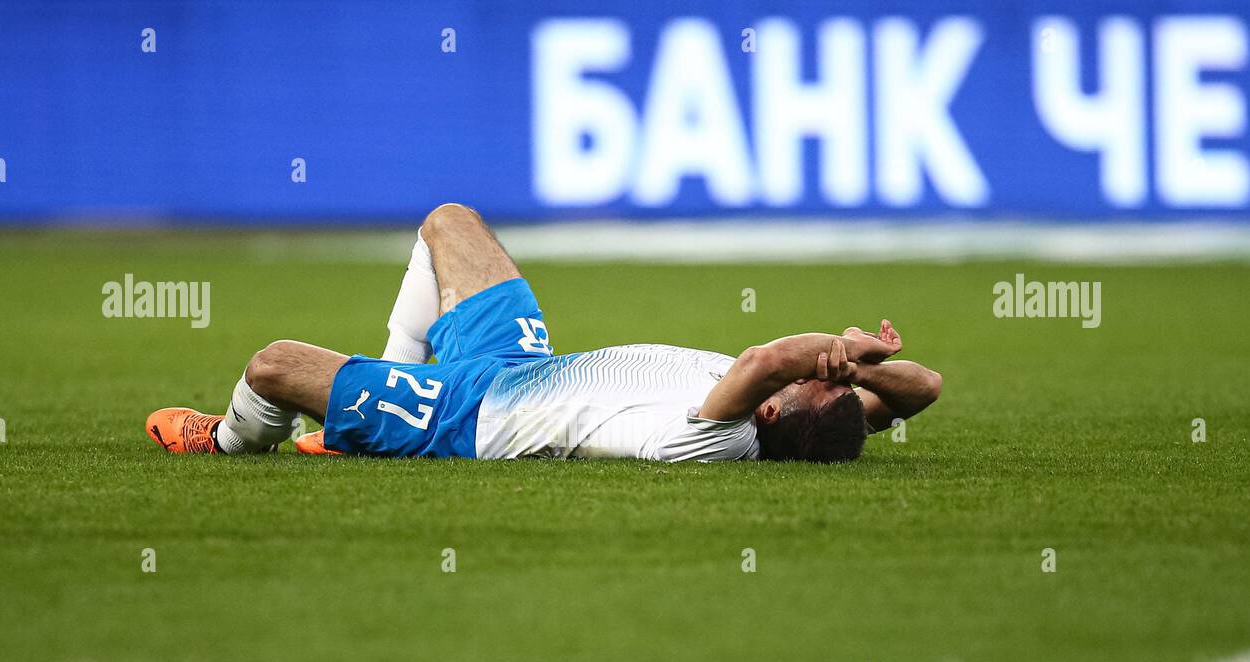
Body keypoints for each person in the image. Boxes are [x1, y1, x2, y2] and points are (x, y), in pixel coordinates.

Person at [145, 204, 941, 462]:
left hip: (474, 415)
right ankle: (357, 426)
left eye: (815, 382)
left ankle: (223, 442)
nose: (822, 375)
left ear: (772, 410)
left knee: (274, 365)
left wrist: (838, 353)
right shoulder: (814, 419)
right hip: (525, 364)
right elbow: (925, 390)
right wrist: (865, 369)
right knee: (448, 224)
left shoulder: (721, 434)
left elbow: (772, 357)